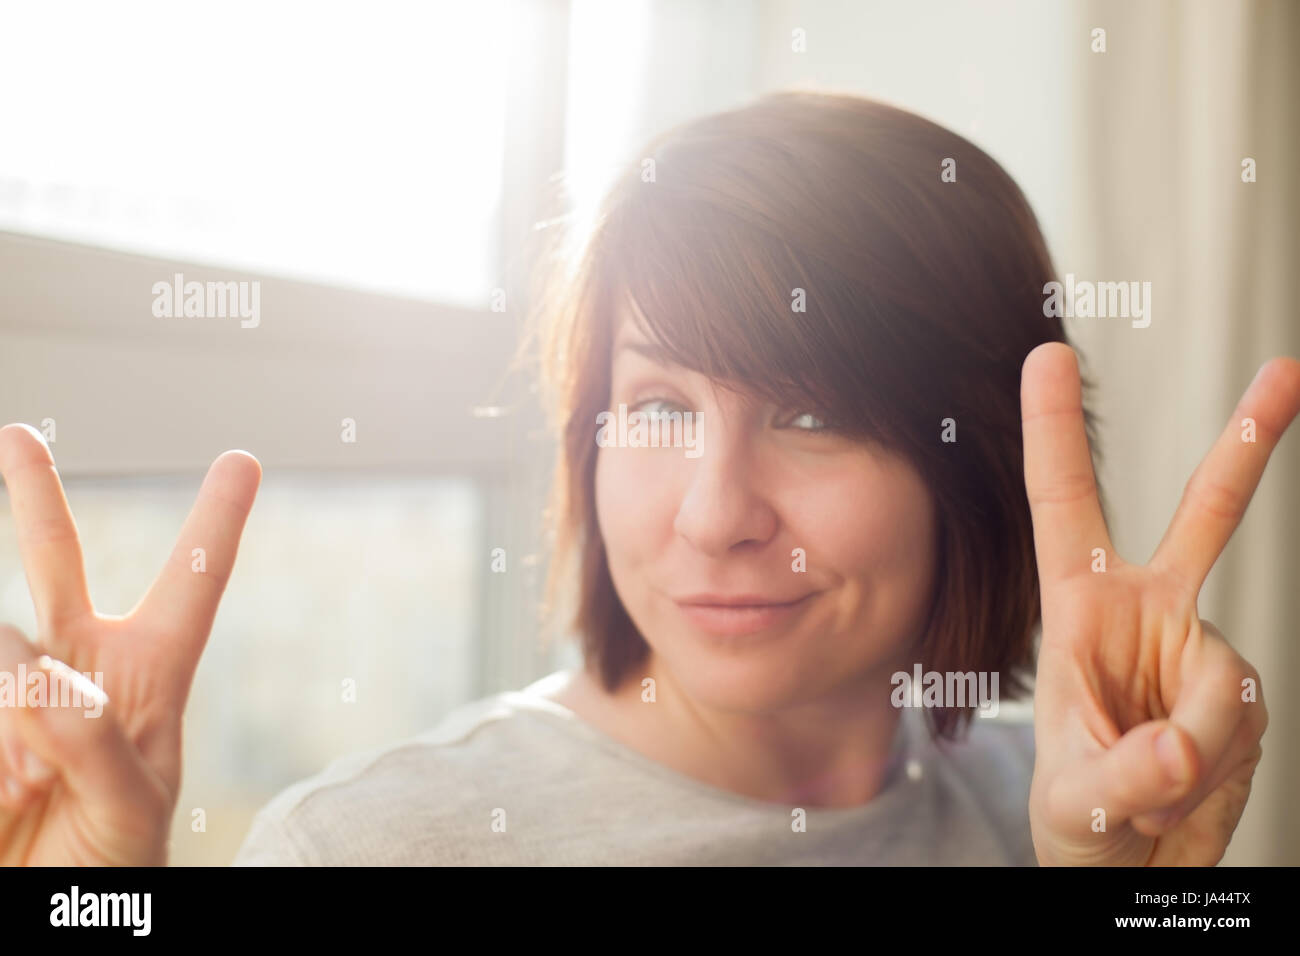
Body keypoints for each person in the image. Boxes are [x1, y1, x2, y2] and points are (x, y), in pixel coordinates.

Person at [0, 91, 1295, 866]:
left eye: (813, 412)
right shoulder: (379, 848)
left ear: (980, 468)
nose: (715, 513)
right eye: (661, 407)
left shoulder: (1067, 810)